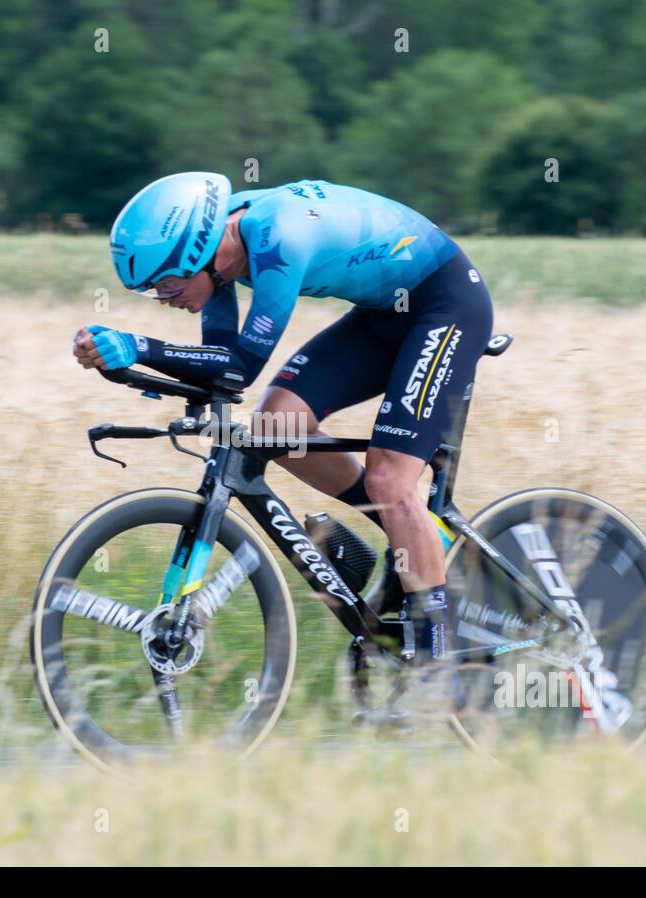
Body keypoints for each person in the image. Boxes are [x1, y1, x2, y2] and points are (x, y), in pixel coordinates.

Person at [73, 172, 493, 665]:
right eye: (150, 293)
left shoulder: (279, 241)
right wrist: (129, 364)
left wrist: (142, 347)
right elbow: (218, 365)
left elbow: (240, 368)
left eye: (165, 285)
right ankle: (409, 529)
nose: (165, 299)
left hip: (445, 306)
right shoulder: (221, 262)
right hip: (384, 314)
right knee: (278, 424)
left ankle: (438, 659)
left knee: (390, 479)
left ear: (195, 255)